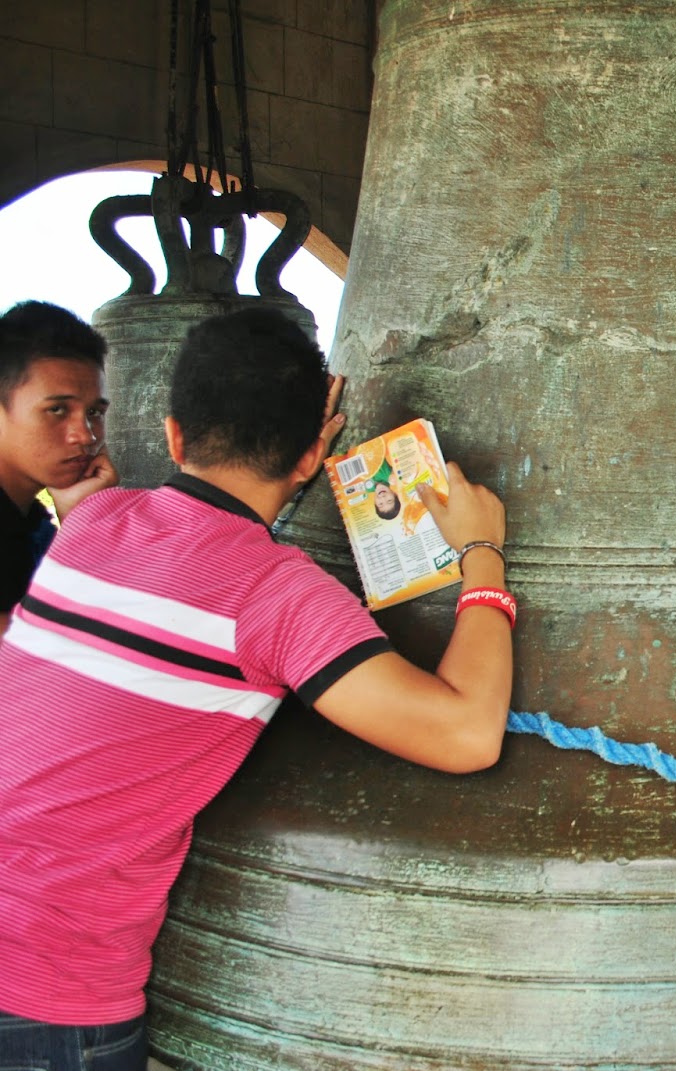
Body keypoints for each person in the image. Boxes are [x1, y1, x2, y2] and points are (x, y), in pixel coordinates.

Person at [0, 307, 517, 1070]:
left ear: (174, 434)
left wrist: (293, 468)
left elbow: (201, 551)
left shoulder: (92, 522)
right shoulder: (278, 599)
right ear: (311, 454)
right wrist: (483, 553)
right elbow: (468, 735)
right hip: (50, 994)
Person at [0, 302, 120, 629]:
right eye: (57, 410)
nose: (85, 436)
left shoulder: (31, 525)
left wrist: (83, 522)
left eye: (95, 412)